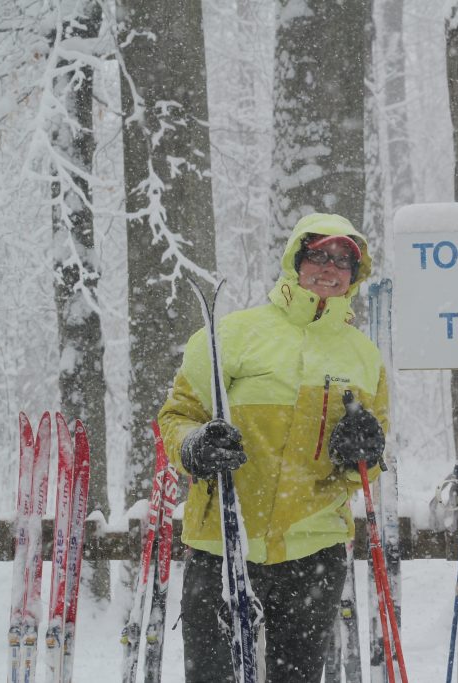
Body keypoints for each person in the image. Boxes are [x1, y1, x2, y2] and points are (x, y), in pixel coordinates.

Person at [158, 212, 388, 682]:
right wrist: (195, 445)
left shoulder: (364, 357)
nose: (329, 267)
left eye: (343, 260)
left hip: (313, 550)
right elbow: (176, 416)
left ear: (355, 274)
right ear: (295, 262)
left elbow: (370, 461)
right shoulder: (234, 336)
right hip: (222, 540)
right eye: (318, 254)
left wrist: (363, 453)